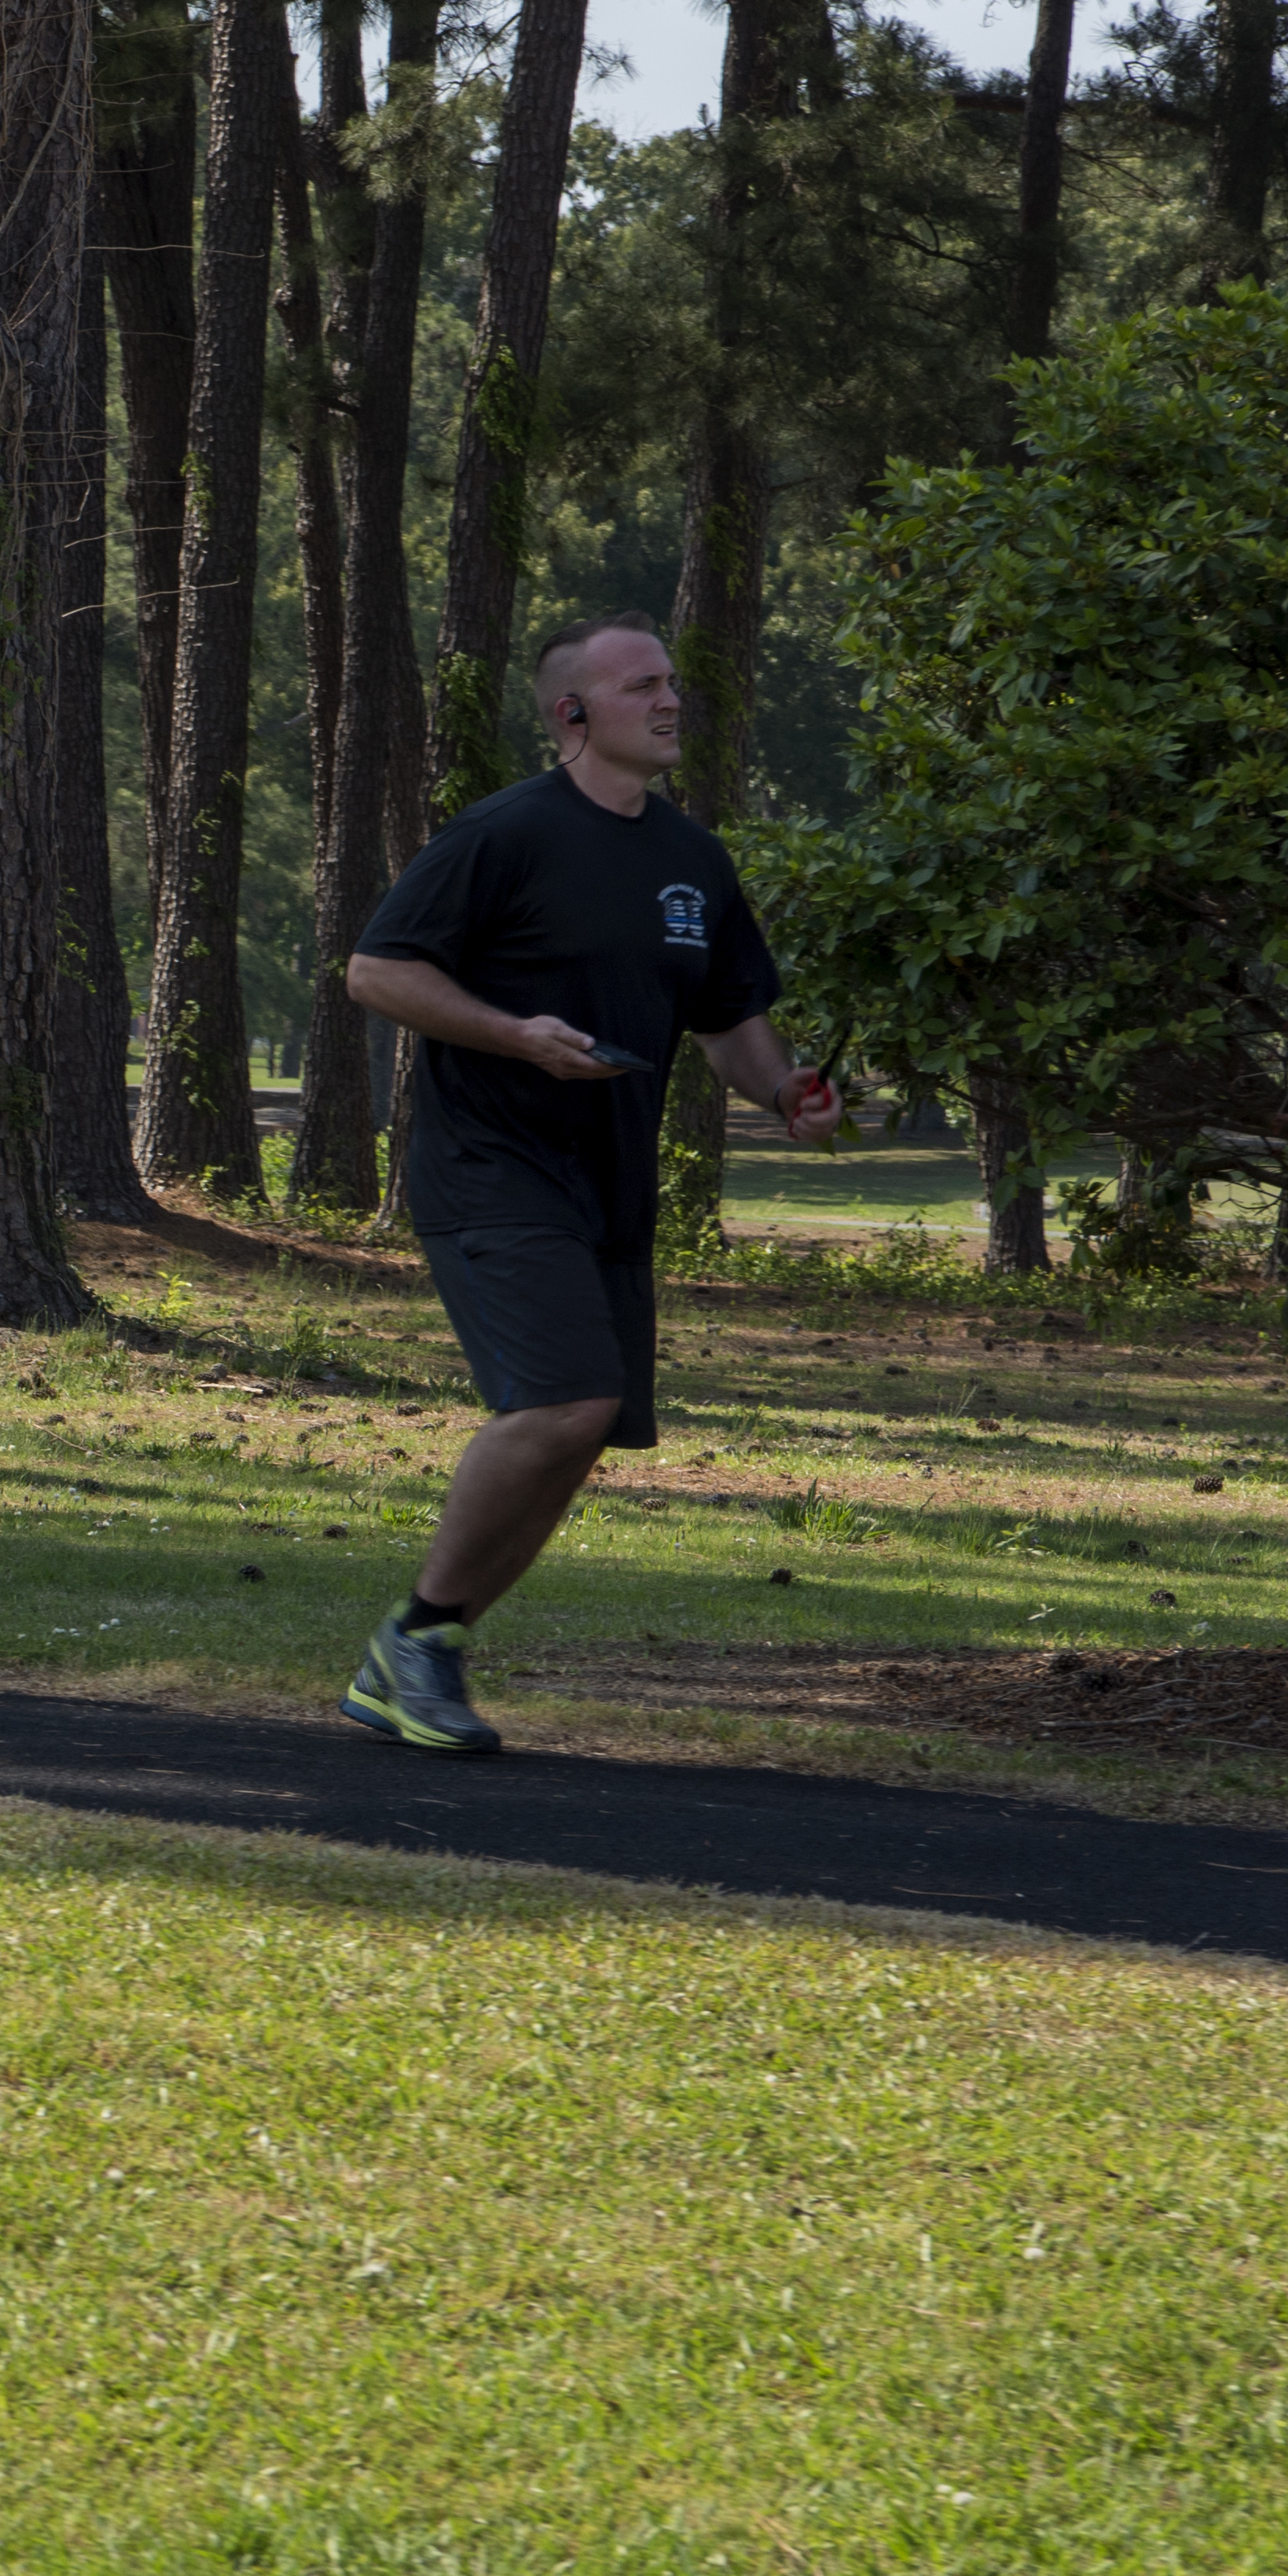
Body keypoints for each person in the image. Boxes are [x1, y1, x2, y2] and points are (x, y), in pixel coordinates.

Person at [336, 611, 846, 1754]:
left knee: (586, 1425)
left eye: (670, 681)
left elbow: (729, 1025)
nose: (670, 702)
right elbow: (375, 970)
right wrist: (513, 1034)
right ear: (570, 713)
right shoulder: (500, 836)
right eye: (640, 686)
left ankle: (422, 1651)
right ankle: (413, 1640)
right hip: (490, 1166)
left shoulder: (688, 859)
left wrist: (783, 1094)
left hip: (608, 1188)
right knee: (559, 1404)